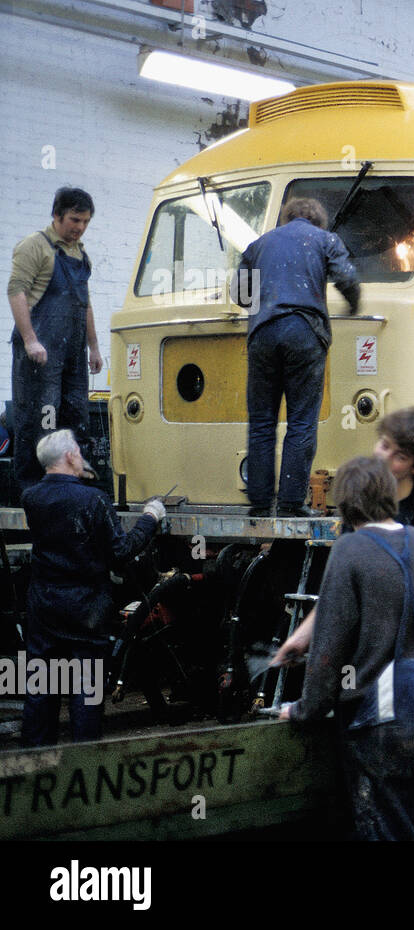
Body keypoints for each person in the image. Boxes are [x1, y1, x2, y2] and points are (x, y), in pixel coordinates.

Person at [281, 456, 414, 841]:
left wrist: (304, 709)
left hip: (378, 714)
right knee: (410, 823)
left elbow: (328, 652)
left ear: (347, 503)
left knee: (380, 829)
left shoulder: (350, 550)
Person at [273, 408, 414, 713]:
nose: (384, 457)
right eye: (384, 445)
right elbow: (337, 592)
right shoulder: (363, 506)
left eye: (398, 456)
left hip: (408, 663)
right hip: (365, 663)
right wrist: (302, 636)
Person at [20, 430, 165, 745]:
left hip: (44, 605)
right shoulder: (94, 499)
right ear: (72, 456)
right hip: (86, 608)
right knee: (85, 688)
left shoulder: (30, 497)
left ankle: (33, 764)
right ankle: (84, 763)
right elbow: (121, 552)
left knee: (42, 685)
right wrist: (150, 518)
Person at [235, 197, 360, 517]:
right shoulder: (325, 239)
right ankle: (291, 503)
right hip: (304, 334)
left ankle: (260, 504)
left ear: (286, 218)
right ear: (317, 221)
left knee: (262, 421)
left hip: (262, 336)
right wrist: (353, 306)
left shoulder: (258, 244)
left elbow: (240, 295)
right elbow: (347, 279)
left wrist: (265, 310)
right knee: (301, 422)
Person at [7, 188, 103, 489]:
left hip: (72, 354)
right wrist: (30, 339)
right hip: (40, 354)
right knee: (40, 420)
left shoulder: (80, 254)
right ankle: (33, 492)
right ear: (57, 215)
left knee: (75, 416)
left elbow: (83, 302)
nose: (80, 227)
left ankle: (72, 489)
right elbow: (16, 291)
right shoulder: (35, 246)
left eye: (86, 221)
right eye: (75, 219)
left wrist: (94, 347)